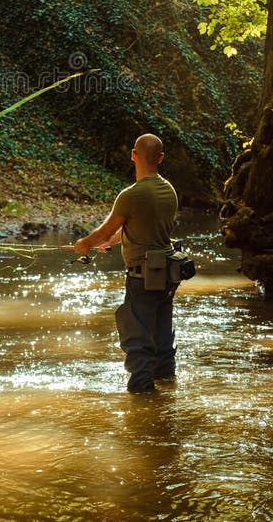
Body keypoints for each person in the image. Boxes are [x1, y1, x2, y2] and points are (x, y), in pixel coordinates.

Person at [73, 133, 179, 392]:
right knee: (163, 343)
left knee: (138, 345)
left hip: (142, 277)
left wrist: (84, 244)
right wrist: (110, 242)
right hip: (168, 275)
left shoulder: (131, 195)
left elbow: (105, 230)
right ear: (160, 158)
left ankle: (142, 403)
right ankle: (168, 397)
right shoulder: (169, 190)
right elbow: (135, 225)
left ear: (133, 155)